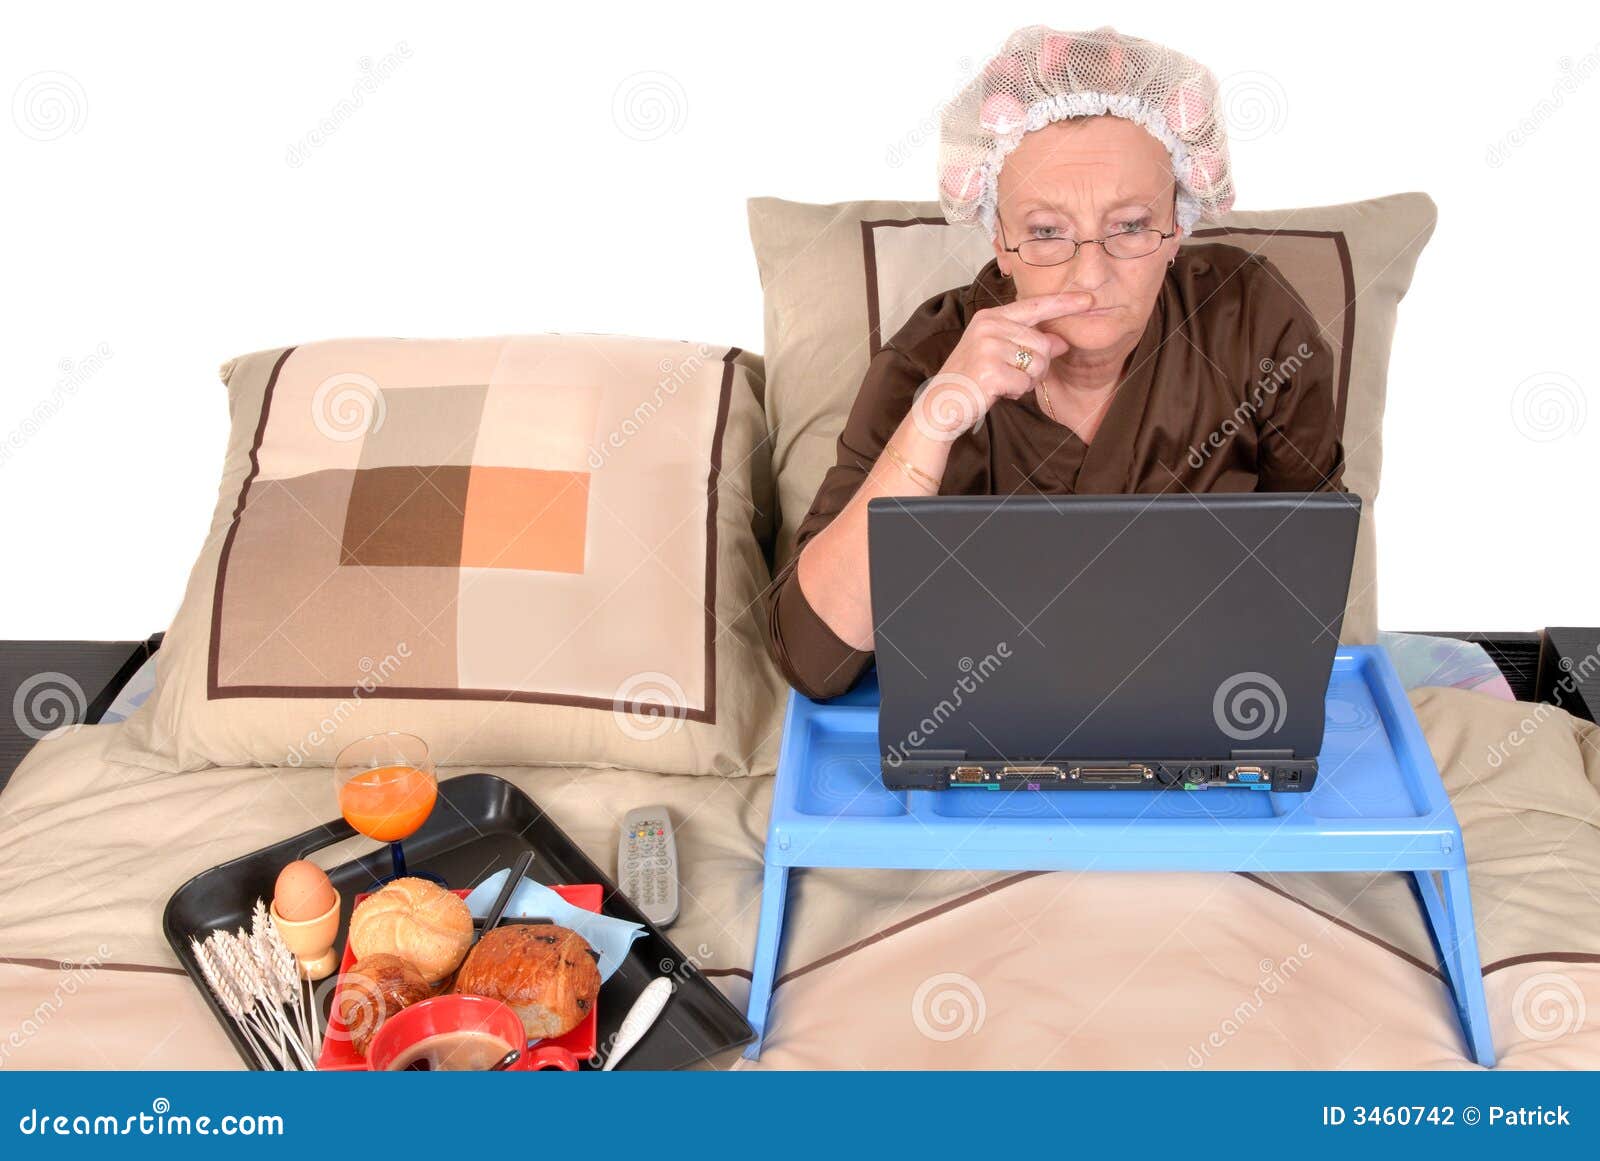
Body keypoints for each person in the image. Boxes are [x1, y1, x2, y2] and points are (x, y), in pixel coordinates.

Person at [761, 25, 1348, 701]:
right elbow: (814, 659)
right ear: (999, 239)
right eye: (1046, 232)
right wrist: (935, 420)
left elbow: (1309, 588)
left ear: (1177, 227)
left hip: (1205, 712)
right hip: (978, 723)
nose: (1090, 274)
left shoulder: (1252, 322)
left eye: (1130, 225)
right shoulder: (928, 360)